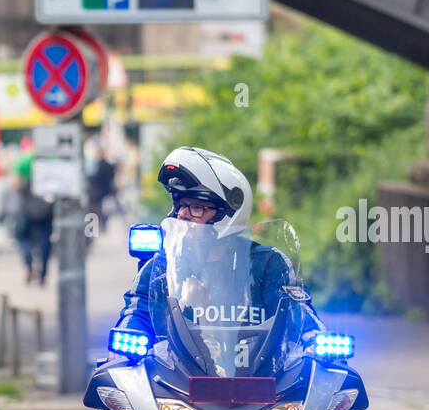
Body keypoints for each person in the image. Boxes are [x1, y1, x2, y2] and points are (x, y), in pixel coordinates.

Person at [113, 146, 322, 342]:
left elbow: (298, 313)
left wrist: (312, 338)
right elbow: (136, 312)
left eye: (196, 207)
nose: (183, 215)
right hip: (175, 377)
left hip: (259, 376)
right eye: (180, 205)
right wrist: (130, 333)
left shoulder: (268, 265)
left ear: (228, 213)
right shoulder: (161, 266)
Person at [14, 175, 54, 286]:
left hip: (29, 216)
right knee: (44, 246)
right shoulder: (49, 181)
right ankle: (43, 273)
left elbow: (17, 188)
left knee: (23, 239)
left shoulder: (27, 181)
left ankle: (29, 263)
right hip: (45, 216)